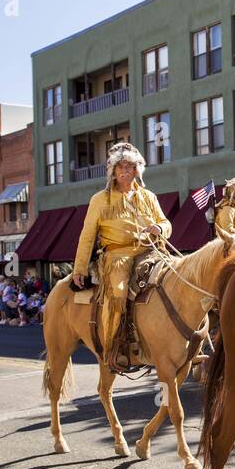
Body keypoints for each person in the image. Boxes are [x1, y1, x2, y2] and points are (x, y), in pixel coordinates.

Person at [72, 142, 172, 371]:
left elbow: (166, 222)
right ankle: (112, 347)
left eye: (130, 167)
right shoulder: (100, 199)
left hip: (150, 250)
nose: (125, 171)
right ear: (113, 172)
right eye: (121, 168)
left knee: (179, 278)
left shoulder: (148, 196)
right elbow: (87, 236)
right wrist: (79, 269)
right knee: (118, 293)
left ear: (138, 170)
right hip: (117, 256)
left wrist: (160, 228)